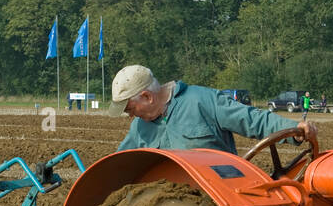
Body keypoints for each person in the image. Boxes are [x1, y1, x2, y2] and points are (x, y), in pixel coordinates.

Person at [111, 64, 315, 156]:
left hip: (216, 199)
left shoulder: (203, 100)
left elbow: (250, 119)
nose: (130, 115)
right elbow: (118, 164)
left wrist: (293, 128)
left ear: (147, 96)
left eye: (129, 108)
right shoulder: (139, 127)